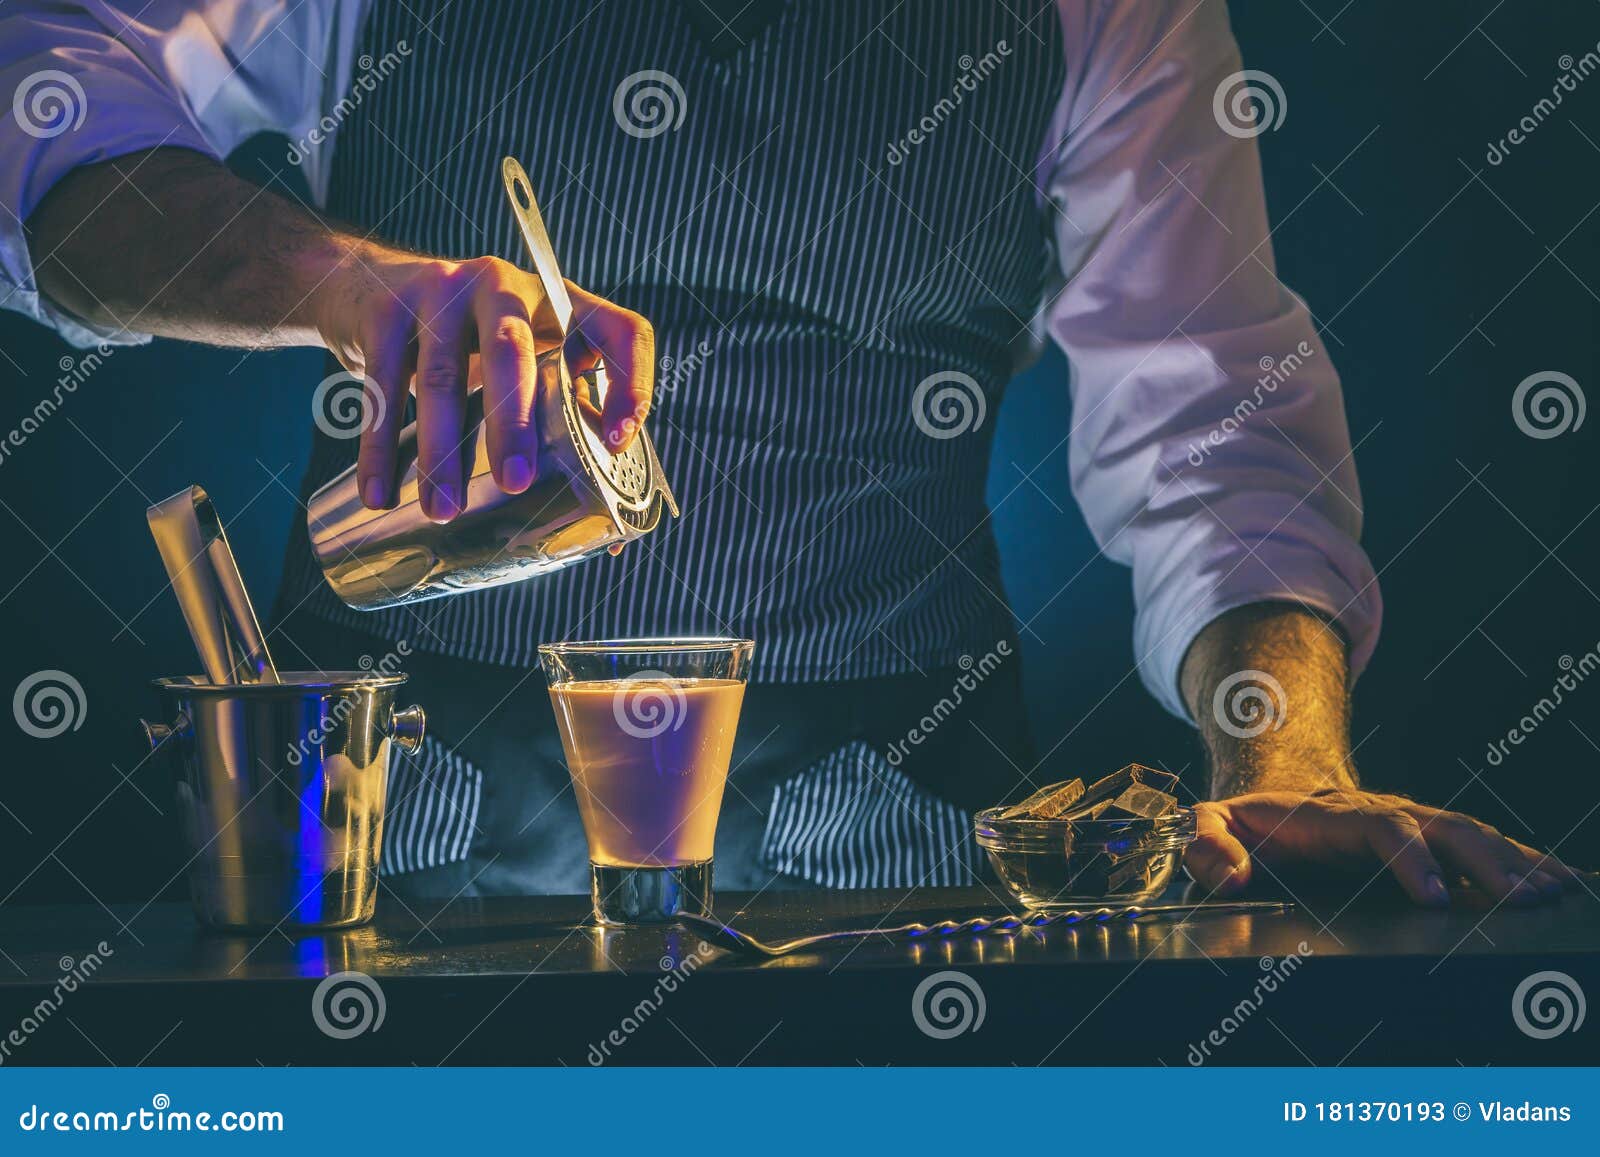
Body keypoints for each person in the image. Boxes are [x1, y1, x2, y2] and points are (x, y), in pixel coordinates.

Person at [1, 0, 1578, 905]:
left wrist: (1285, 764)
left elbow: (1214, 427)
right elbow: (44, 94)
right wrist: (338, 283)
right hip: (390, 848)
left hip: (901, 850)